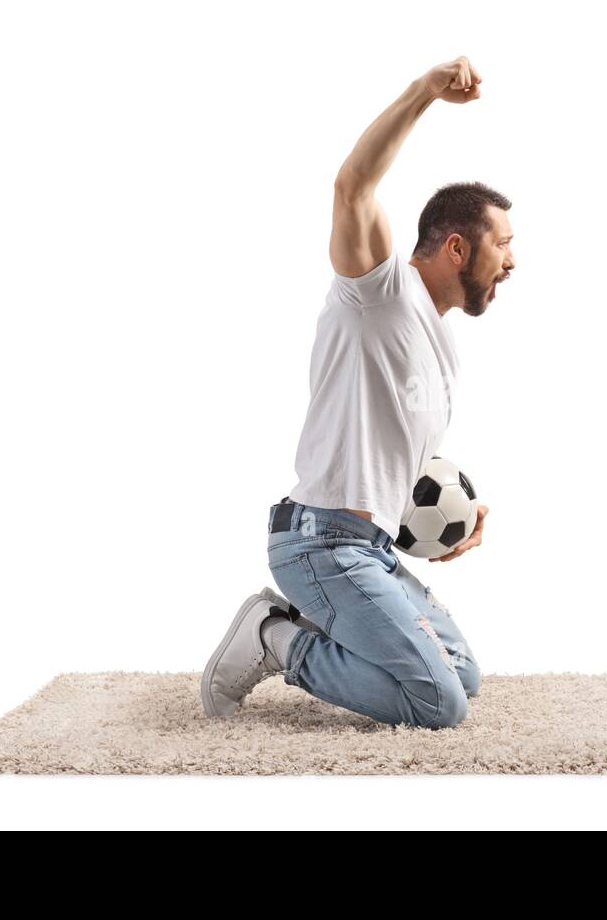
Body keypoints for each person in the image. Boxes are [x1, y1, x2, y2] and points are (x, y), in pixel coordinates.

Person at [202, 56, 516, 728]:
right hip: (318, 545)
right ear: (456, 248)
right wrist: (425, 91)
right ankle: (273, 637)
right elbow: (352, 186)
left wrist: (441, 526)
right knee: (438, 703)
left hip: (366, 549)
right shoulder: (379, 290)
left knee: (463, 675)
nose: (513, 262)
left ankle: (313, 622)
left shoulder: (441, 349)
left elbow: (384, 464)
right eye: (504, 244)